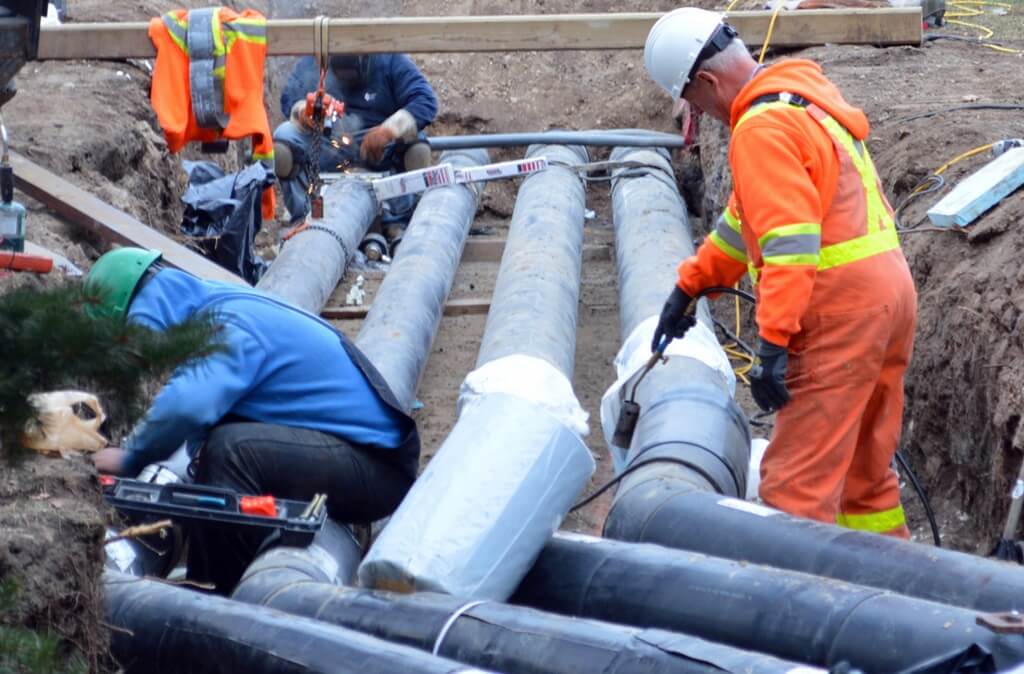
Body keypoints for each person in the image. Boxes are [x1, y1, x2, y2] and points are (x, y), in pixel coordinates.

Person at [644, 8, 916, 538]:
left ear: (706, 81)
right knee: (865, 480)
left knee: (795, 490)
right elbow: (744, 223)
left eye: (695, 103)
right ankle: (897, 599)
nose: (701, 116)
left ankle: (797, 611)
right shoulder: (803, 104)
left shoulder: (761, 128)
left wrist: (773, 342)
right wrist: (690, 284)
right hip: (889, 299)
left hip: (837, 312)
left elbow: (790, 245)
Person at [87, 247, 420, 591]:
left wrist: (132, 457)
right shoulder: (214, 305)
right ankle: (209, 582)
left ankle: (218, 596)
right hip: (349, 454)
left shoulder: (225, 324)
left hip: (375, 468)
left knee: (231, 452)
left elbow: (187, 406)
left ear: (138, 317)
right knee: (215, 448)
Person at [273, 52, 439, 236]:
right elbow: (288, 97)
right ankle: (303, 216)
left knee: (418, 149)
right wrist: (303, 111)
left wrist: (389, 130)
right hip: (330, 149)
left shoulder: (391, 60)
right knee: (284, 140)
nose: (346, 80)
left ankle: (398, 220)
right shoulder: (317, 60)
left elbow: (425, 101)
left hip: (381, 154)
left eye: (351, 74)